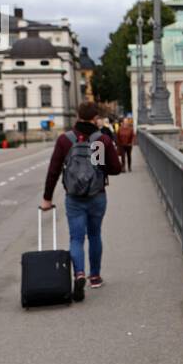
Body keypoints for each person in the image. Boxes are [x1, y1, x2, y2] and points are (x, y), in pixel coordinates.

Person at [40, 101, 121, 301]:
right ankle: (95, 277)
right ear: (95, 118)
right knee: (95, 235)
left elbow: (54, 171)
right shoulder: (99, 140)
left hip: (74, 197)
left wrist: (47, 198)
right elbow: (112, 168)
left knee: (76, 238)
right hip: (97, 196)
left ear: (77, 116)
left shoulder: (65, 140)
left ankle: (79, 274)